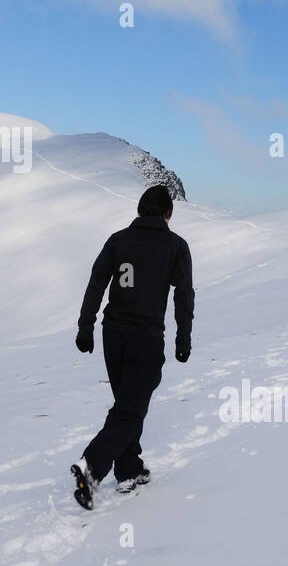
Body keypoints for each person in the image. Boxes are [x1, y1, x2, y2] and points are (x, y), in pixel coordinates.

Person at [70, 184, 195, 509]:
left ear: (140, 210)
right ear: (168, 214)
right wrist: (184, 338)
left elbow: (96, 282)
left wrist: (86, 327)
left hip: (113, 336)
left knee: (127, 404)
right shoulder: (176, 246)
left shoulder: (118, 240)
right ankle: (92, 466)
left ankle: (129, 470)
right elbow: (183, 296)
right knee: (130, 409)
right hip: (146, 338)